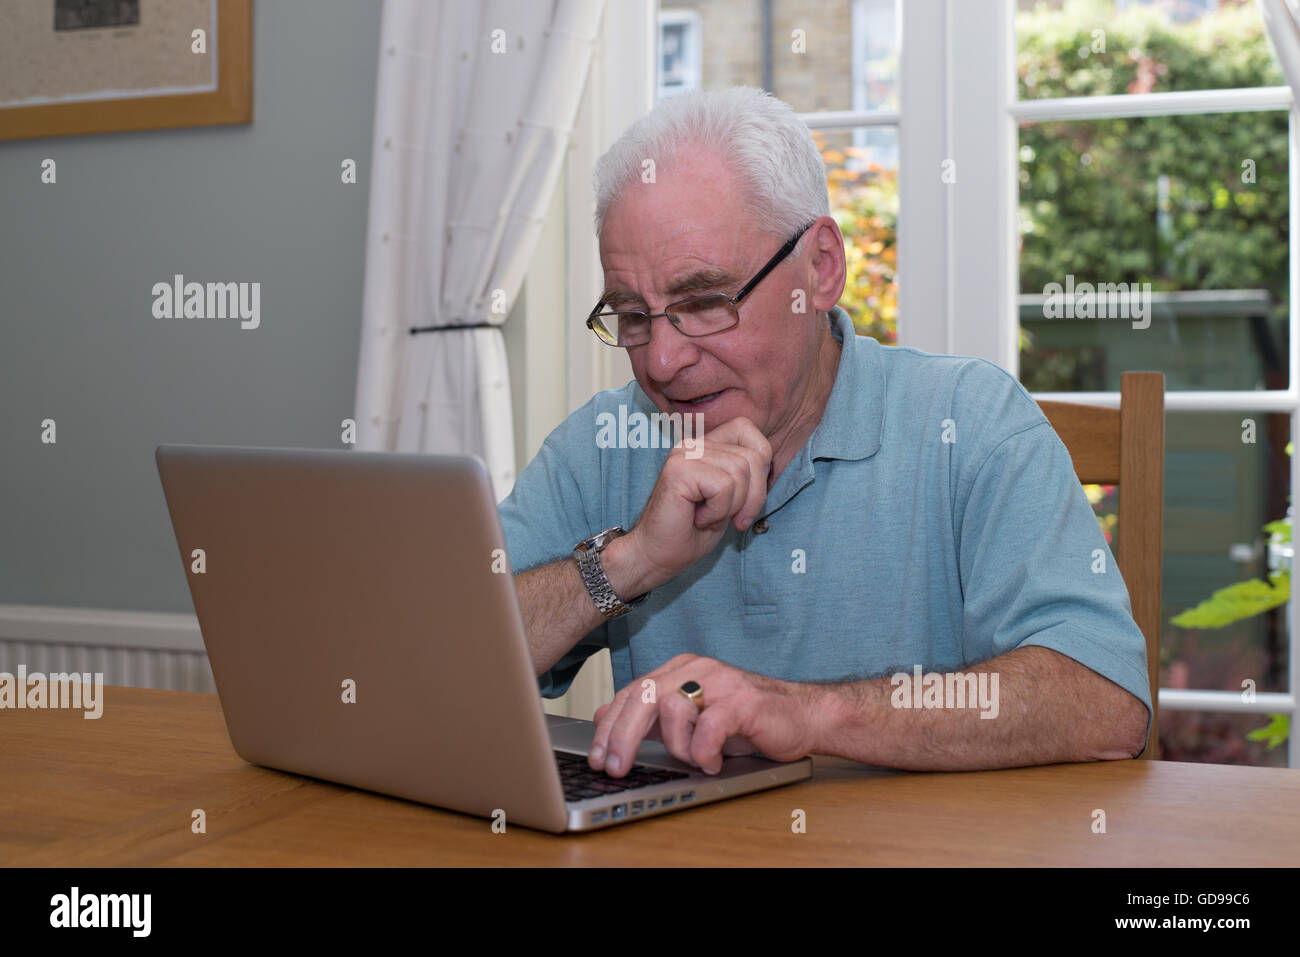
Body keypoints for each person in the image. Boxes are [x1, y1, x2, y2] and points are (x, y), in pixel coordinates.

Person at [497, 86, 1151, 779]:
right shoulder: (606, 439)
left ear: (822, 268)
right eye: (633, 315)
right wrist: (630, 562)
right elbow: (431, 664)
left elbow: (1102, 697)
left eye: (702, 302)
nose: (662, 361)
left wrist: (807, 713)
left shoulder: (972, 421)